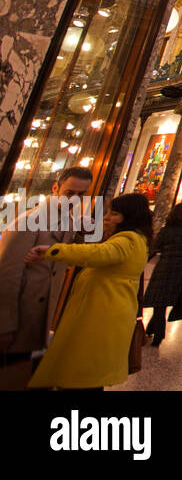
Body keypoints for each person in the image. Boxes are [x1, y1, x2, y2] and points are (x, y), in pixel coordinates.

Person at [25, 192, 152, 390]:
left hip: (101, 316)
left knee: (82, 374)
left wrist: (55, 251)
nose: (107, 218)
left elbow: (98, 254)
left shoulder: (127, 240)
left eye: (115, 214)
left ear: (129, 218)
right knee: (86, 374)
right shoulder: (137, 240)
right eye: (108, 212)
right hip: (105, 313)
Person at [0, 165, 93, 389]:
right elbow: (6, 274)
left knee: (19, 374)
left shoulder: (70, 223)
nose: (74, 199)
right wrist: (5, 324)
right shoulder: (30, 220)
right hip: (17, 314)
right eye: (70, 193)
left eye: (81, 194)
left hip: (37, 315)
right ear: (55, 188)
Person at [141, 202, 182, 346]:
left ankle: (155, 333)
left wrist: (142, 261)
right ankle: (153, 332)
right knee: (165, 301)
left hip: (165, 267)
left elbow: (154, 248)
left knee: (159, 302)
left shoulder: (167, 230)